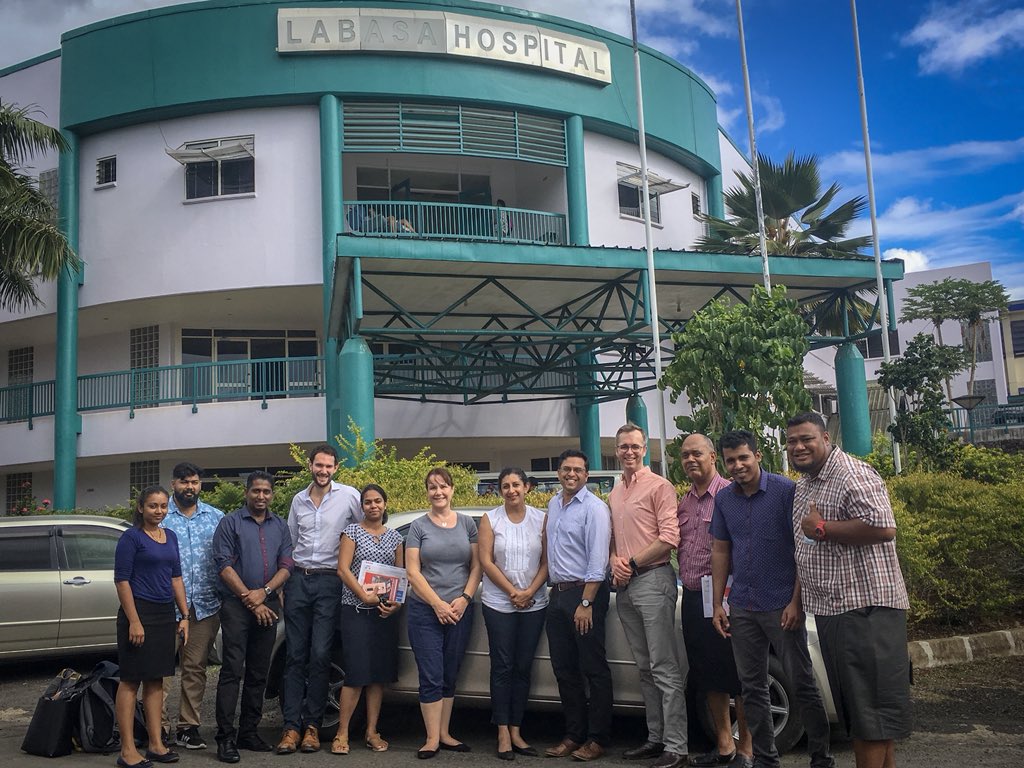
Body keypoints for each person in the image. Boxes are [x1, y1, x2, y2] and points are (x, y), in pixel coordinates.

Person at [786, 412, 912, 768]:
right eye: (792, 441)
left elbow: (884, 527)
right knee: (864, 717)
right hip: (832, 611)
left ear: (826, 438)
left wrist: (823, 528)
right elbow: (803, 546)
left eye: (807, 439)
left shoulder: (851, 473)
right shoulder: (806, 484)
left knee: (869, 716)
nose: (798, 446)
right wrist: (797, 599)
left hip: (866, 610)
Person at [710, 431, 834, 768]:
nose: (737, 465)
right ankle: (766, 759)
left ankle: (821, 757)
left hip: (782, 604)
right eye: (730, 460)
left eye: (743, 458)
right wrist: (718, 603)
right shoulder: (724, 500)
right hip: (743, 606)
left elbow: (803, 549)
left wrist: (797, 601)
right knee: (752, 688)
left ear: (758, 455)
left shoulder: (785, 492)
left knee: (802, 681)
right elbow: (720, 550)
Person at [607, 424, 688, 768]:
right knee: (644, 669)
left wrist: (633, 563)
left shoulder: (660, 486)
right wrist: (615, 561)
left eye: (635, 446)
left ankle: (677, 747)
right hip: (625, 587)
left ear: (645, 449)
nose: (629, 452)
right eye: (623, 446)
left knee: (664, 667)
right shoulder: (615, 492)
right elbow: (613, 541)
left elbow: (670, 537)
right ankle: (655, 738)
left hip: (653, 580)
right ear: (617, 450)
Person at [277, 444, 361, 755]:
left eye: (329, 466)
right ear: (310, 466)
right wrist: (285, 584)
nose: (323, 471)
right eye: (318, 465)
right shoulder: (298, 500)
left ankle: (312, 726)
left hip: (330, 581)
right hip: (299, 579)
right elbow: (289, 541)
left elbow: (363, 531)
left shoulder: (349, 496)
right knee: (295, 655)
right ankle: (290, 728)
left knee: (321, 653)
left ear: (336, 468)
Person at [676, 434, 753, 768]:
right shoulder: (685, 500)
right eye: (684, 455)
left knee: (738, 675)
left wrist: (728, 598)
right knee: (707, 673)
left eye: (696, 454)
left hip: (726, 597)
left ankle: (747, 749)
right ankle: (724, 745)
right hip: (694, 596)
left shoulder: (729, 494)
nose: (690, 460)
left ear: (712, 457)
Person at [212, 471, 293, 764]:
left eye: (267, 492)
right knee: (233, 670)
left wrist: (266, 592)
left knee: (260, 671)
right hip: (236, 606)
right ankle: (225, 737)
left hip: (269, 604)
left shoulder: (280, 526)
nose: (261, 496)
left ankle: (248, 731)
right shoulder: (230, 523)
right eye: (256, 491)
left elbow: (287, 563)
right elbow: (223, 564)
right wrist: (251, 598)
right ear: (247, 492)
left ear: (272, 495)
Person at [405, 467, 481, 759]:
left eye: (443, 486)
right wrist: (437, 603)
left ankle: (445, 733)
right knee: (431, 674)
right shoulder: (418, 527)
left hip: (460, 610)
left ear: (452, 490)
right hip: (425, 610)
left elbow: (476, 566)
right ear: (427, 492)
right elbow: (413, 571)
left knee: (450, 673)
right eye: (432, 487)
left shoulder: (467, 524)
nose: (438, 492)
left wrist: (463, 599)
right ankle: (431, 738)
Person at [543, 449, 613, 763]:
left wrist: (586, 601)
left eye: (578, 470)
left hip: (585, 595)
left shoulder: (596, 509)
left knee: (593, 669)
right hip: (557, 595)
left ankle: (597, 738)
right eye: (566, 469)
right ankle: (573, 735)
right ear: (559, 472)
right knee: (565, 670)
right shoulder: (553, 504)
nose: (572, 474)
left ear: (586, 475)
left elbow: (598, 560)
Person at [113, 485, 190, 768]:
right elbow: (122, 581)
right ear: (140, 508)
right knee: (131, 680)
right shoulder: (131, 539)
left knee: (156, 680)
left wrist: (185, 615)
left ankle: (156, 744)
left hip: (164, 614)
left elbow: (176, 578)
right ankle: (128, 750)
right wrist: (134, 621)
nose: (158, 511)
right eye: (153, 506)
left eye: (163, 506)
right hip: (138, 612)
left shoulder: (169, 536)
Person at [478, 467, 549, 760]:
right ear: (500, 490)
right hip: (498, 603)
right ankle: (502, 731)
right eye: (505, 486)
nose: (511, 490)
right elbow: (486, 561)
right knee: (503, 666)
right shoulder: (490, 519)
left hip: (534, 603)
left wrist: (529, 592)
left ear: (527, 487)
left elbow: (547, 561)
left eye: (516, 484)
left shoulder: (541, 518)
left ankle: (518, 729)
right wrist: (513, 592)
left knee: (522, 667)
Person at [332, 484, 404, 755]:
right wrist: (363, 595)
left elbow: (399, 576)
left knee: (378, 676)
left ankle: (372, 731)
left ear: (385, 504)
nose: (373, 506)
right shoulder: (352, 532)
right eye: (368, 502)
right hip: (356, 611)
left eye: (378, 501)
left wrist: (395, 605)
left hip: (383, 614)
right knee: (356, 673)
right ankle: (342, 732)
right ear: (362, 506)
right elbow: (342, 569)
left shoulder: (396, 537)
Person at [160, 461, 224, 751]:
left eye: (195, 482)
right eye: (184, 482)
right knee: (159, 671)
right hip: (165, 608)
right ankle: (157, 727)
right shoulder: (160, 517)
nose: (190, 487)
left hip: (205, 606)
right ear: (173, 484)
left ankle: (188, 727)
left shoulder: (215, 517)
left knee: (195, 668)